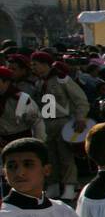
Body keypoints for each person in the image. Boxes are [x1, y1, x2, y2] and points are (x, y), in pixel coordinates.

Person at [30, 52, 89, 200]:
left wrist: (80, 117)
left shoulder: (61, 79)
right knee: (50, 156)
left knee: (65, 155)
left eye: (35, 64)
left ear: (45, 64)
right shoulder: (38, 83)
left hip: (62, 120)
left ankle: (70, 186)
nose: (33, 67)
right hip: (45, 122)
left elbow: (80, 99)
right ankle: (53, 185)